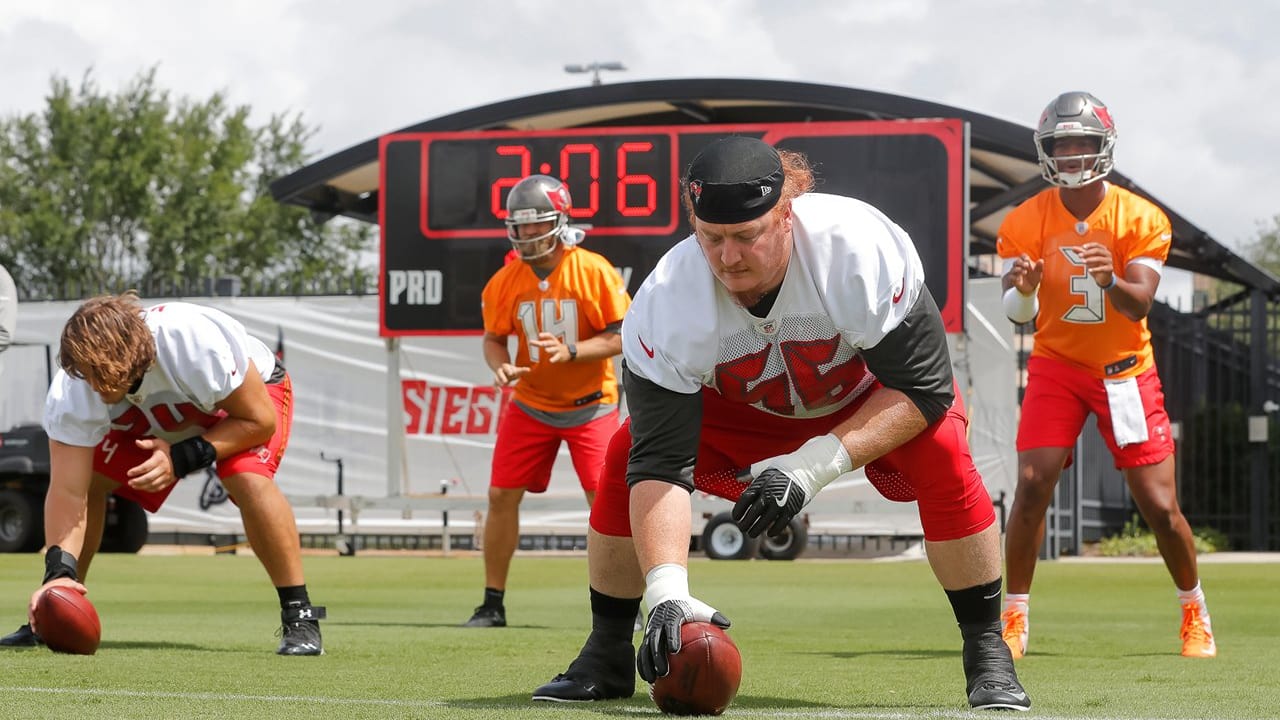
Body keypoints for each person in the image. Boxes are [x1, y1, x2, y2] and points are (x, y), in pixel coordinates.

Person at [531, 136, 1030, 711]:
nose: (729, 257)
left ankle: (987, 649)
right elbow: (660, 463)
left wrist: (809, 468)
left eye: (747, 235)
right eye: (711, 237)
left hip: (864, 398)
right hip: (744, 412)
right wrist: (666, 591)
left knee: (942, 448)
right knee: (625, 454)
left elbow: (926, 390)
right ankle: (607, 653)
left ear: (787, 213)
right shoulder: (667, 299)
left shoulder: (855, 249)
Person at [997, 91, 1215, 659]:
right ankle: (1013, 617)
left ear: (1103, 147)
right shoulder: (1025, 219)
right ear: (1046, 151)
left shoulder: (1139, 217)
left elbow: (1139, 304)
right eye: (1061, 144)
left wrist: (1108, 279)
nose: (1071, 154)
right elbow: (1016, 313)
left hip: (1124, 371)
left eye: (1082, 143)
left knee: (1160, 507)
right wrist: (1025, 290)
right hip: (1056, 365)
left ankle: (1194, 609)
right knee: (1032, 483)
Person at [9, 292, 326, 655]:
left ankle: (300, 615)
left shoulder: (191, 344)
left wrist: (180, 458)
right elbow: (68, 491)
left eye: (99, 371)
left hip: (238, 405)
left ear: (129, 353)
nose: (92, 384)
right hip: (157, 414)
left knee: (245, 475)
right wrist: (57, 575)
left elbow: (259, 421)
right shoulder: (72, 389)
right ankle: (58, 607)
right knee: (91, 481)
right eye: (86, 372)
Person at [462, 175, 631, 628]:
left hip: (591, 403)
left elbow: (623, 335)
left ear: (559, 222)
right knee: (500, 495)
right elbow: (493, 339)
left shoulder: (592, 270)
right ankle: (492, 602)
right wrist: (500, 365)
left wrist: (572, 349)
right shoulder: (505, 280)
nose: (526, 233)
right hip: (531, 402)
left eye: (536, 223)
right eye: (520, 224)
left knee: (606, 499)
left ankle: (625, 604)